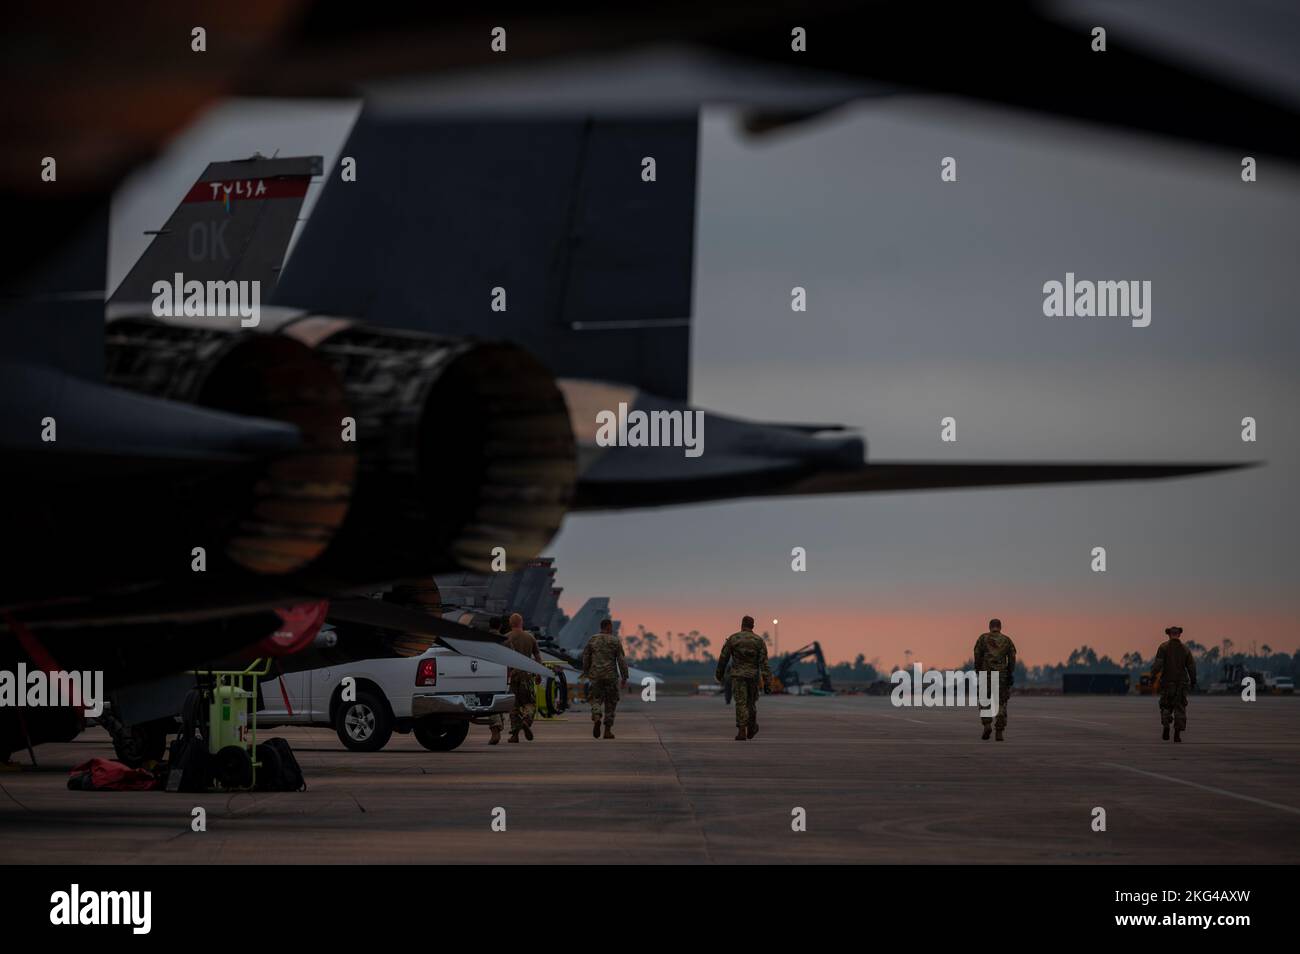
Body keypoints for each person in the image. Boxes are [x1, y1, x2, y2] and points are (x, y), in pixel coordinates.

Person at [715, 616, 772, 741]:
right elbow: (764, 663)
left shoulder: (733, 639)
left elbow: (723, 658)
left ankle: (742, 731)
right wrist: (767, 682)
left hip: (738, 677)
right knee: (751, 703)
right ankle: (751, 727)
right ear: (753, 626)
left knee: (740, 702)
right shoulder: (759, 641)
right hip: (753, 677)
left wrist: (719, 675)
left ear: (741, 625)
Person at [581, 619, 629, 739]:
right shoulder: (615, 641)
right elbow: (621, 660)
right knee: (611, 703)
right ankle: (607, 731)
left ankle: (597, 716)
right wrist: (624, 676)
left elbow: (585, 657)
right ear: (608, 627)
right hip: (611, 677)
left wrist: (586, 671)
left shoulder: (593, 640)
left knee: (595, 700)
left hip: (596, 676)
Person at [1151, 625, 1197, 742]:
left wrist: (1152, 676)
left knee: (1165, 706)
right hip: (1181, 684)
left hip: (1167, 683)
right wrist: (1193, 680)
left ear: (1168, 634)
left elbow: (1158, 664)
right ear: (1179, 634)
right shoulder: (1185, 649)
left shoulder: (1163, 647)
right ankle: (1177, 734)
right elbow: (1191, 667)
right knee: (1180, 708)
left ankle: (1166, 726)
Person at [973, 618, 1017, 741]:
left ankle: (987, 724)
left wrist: (978, 669)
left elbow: (977, 655)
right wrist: (1010, 673)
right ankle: (999, 731)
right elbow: (1012, 658)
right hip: (1001, 675)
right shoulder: (1007, 640)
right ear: (1000, 627)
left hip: (985, 674)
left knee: (984, 701)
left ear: (990, 626)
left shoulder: (983, 638)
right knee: (1001, 703)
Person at [504, 613, 543, 743]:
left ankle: (514, 735)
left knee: (514, 706)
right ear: (521, 623)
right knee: (530, 703)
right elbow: (537, 656)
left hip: (512, 676)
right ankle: (526, 721)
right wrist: (539, 673)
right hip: (527, 675)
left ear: (510, 623)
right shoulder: (530, 637)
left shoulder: (505, 638)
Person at [484, 616, 511, 745]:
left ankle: (496, 728)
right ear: (500, 626)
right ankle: (499, 725)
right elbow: (512, 657)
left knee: (489, 700)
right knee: (499, 699)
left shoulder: (483, 639)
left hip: (487, 673)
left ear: (489, 625)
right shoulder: (505, 640)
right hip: (502, 673)